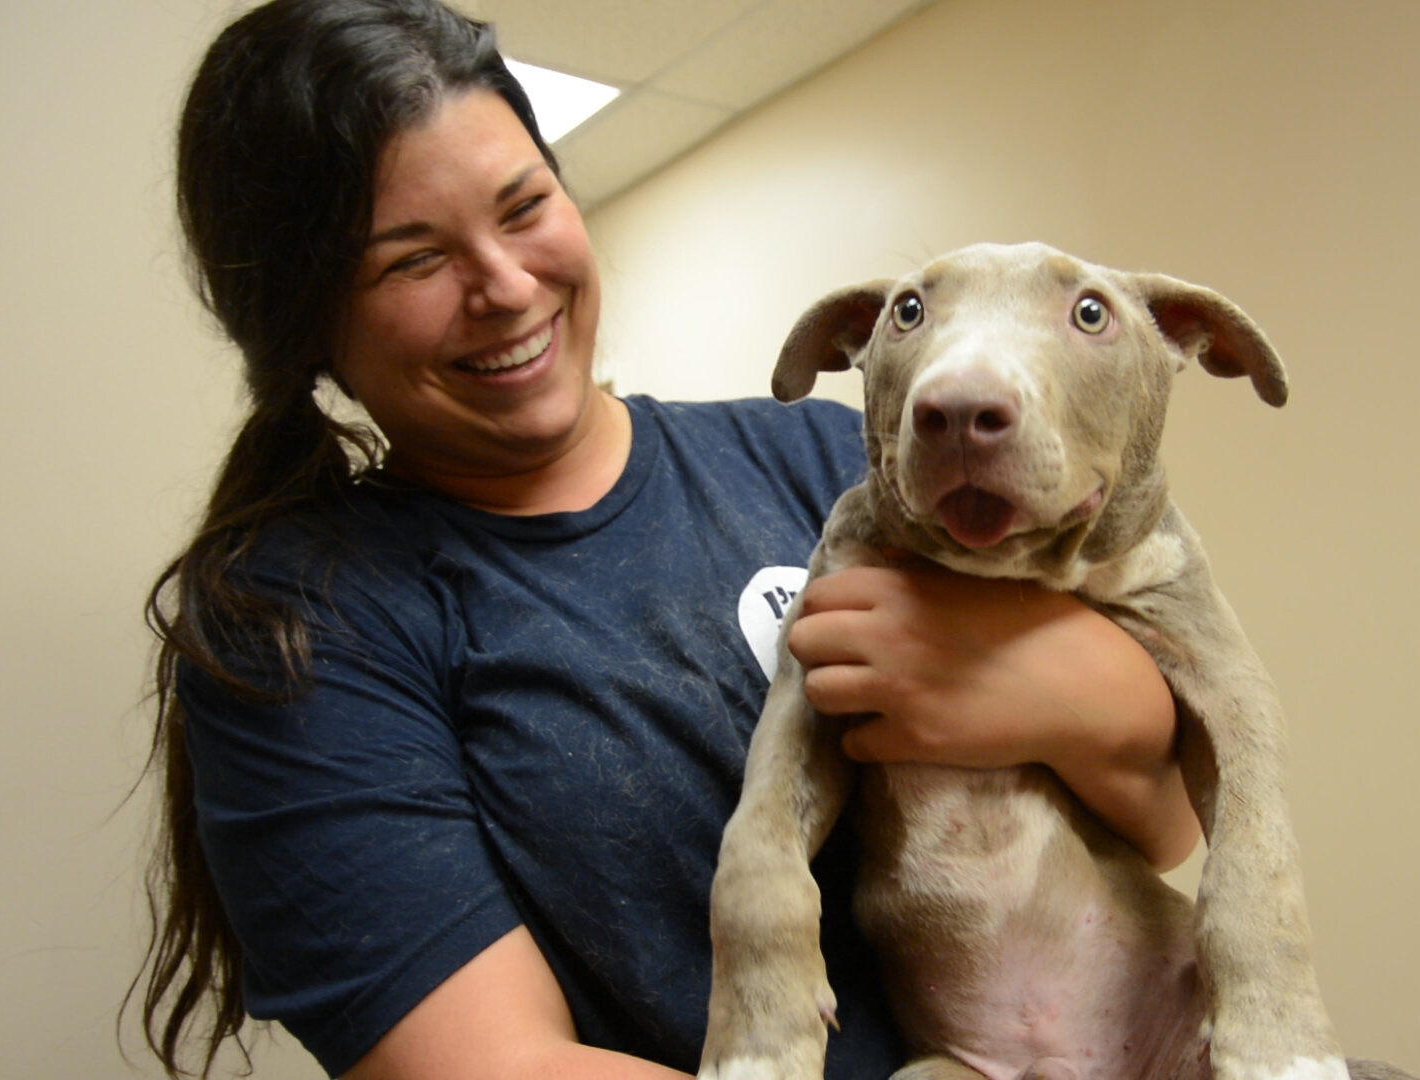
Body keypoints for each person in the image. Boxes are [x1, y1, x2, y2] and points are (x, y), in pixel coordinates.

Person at [130, 1, 1202, 1077]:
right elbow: (493, 1067)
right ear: (304, 324)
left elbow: (1161, 823)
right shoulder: (303, 624)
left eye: (523, 207)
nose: (505, 288)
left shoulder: (826, 462)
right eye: (411, 260)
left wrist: (1031, 681)